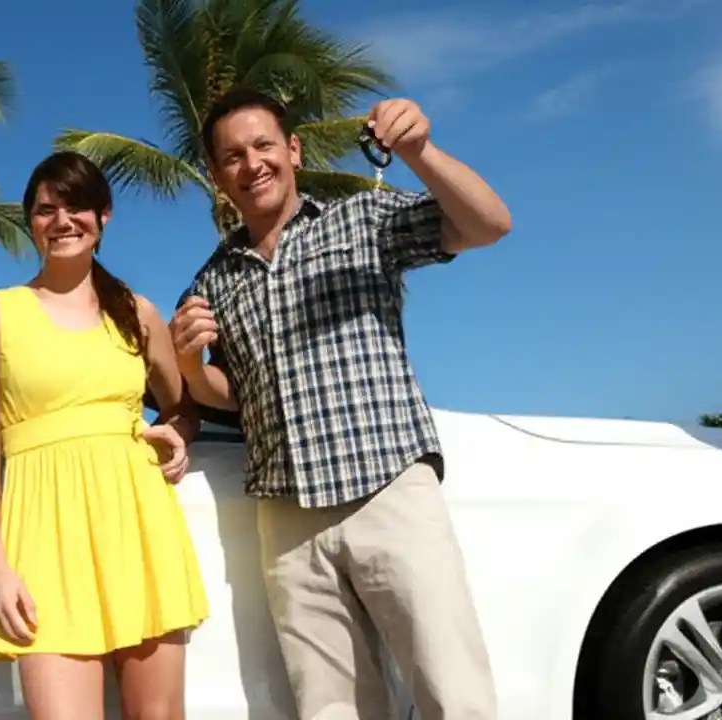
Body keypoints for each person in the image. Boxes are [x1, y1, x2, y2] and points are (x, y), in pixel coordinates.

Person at [169, 87, 511, 720]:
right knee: (330, 710)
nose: (253, 164)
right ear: (219, 177)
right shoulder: (212, 279)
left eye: (264, 145)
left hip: (387, 488)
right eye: (233, 156)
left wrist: (419, 151)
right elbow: (234, 397)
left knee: (453, 694)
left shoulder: (360, 221)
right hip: (289, 516)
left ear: (293, 150)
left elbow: (487, 225)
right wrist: (189, 366)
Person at [0, 150, 210, 719]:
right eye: (46, 210)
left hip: (139, 525)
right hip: (44, 538)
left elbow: (182, 406)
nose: (62, 221)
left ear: (104, 217)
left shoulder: (139, 313)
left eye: (76, 208)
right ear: (30, 222)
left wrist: (177, 433)